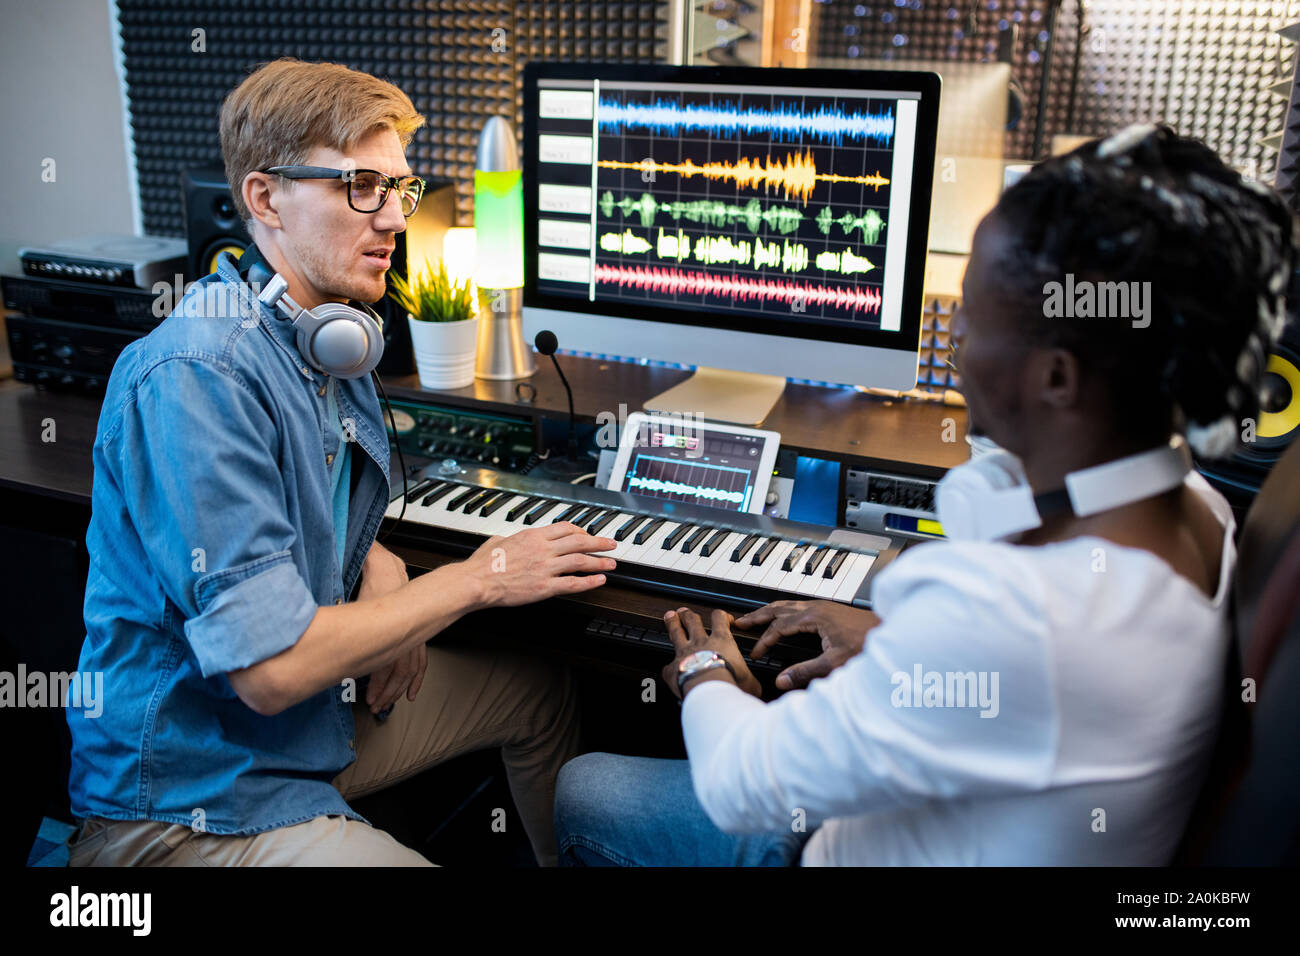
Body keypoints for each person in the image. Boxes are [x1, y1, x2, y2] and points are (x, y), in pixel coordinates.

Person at [553, 124, 1297, 866]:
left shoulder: (1016, 613)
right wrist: (896, 644)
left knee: (586, 788)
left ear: (1058, 377)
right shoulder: (1201, 506)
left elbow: (741, 782)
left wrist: (704, 675)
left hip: (845, 846)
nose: (954, 340)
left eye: (976, 317)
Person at [65, 58, 617, 867]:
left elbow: (297, 510)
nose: (393, 217)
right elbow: (272, 671)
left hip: (305, 737)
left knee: (534, 690)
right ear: (265, 199)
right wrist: (477, 579)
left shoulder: (329, 338)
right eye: (361, 185)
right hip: (194, 798)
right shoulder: (195, 376)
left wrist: (382, 566)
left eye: (401, 188)